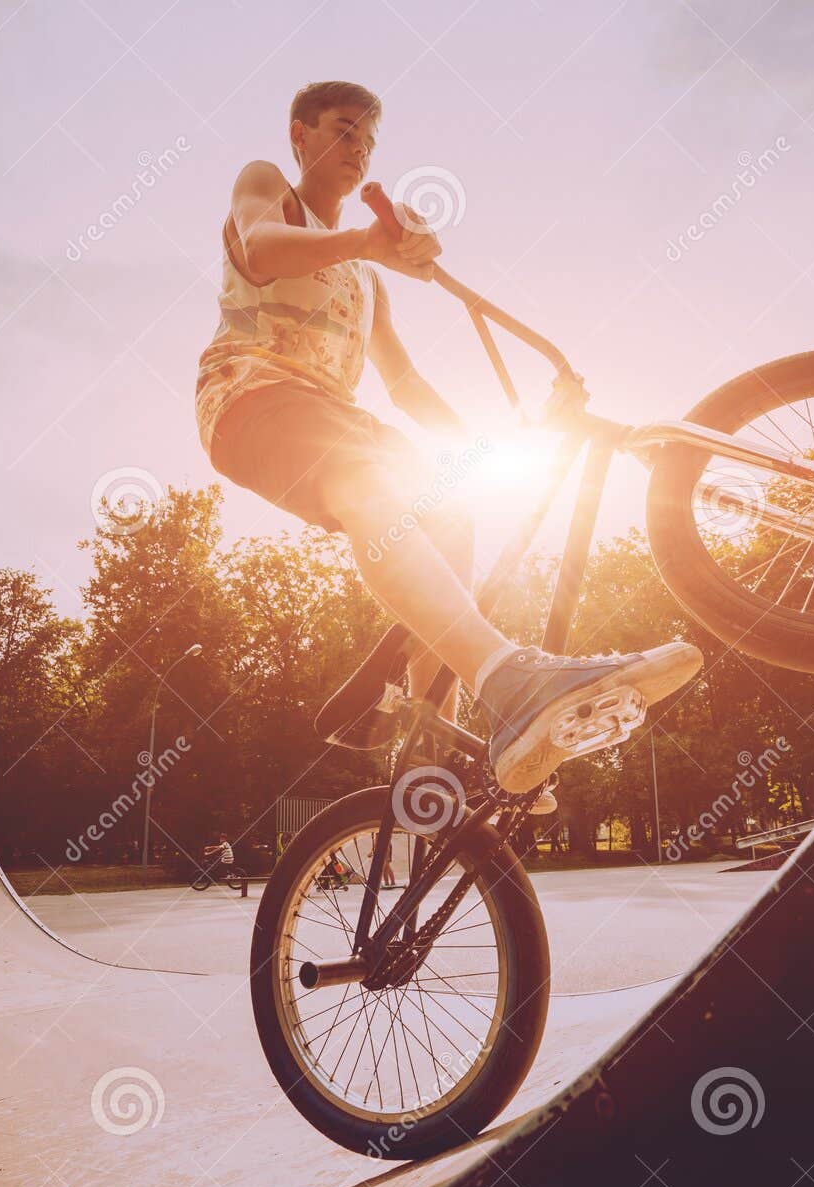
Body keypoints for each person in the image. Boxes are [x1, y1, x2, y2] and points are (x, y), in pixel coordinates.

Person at [196, 81, 701, 806]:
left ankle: (441, 741)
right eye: (343, 131)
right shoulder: (269, 188)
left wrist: (494, 442)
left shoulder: (369, 285)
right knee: (368, 481)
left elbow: (402, 382)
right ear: (300, 136)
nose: (358, 148)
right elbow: (263, 248)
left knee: (449, 511)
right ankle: (510, 679)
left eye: (369, 139)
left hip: (333, 419)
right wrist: (367, 238)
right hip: (251, 396)